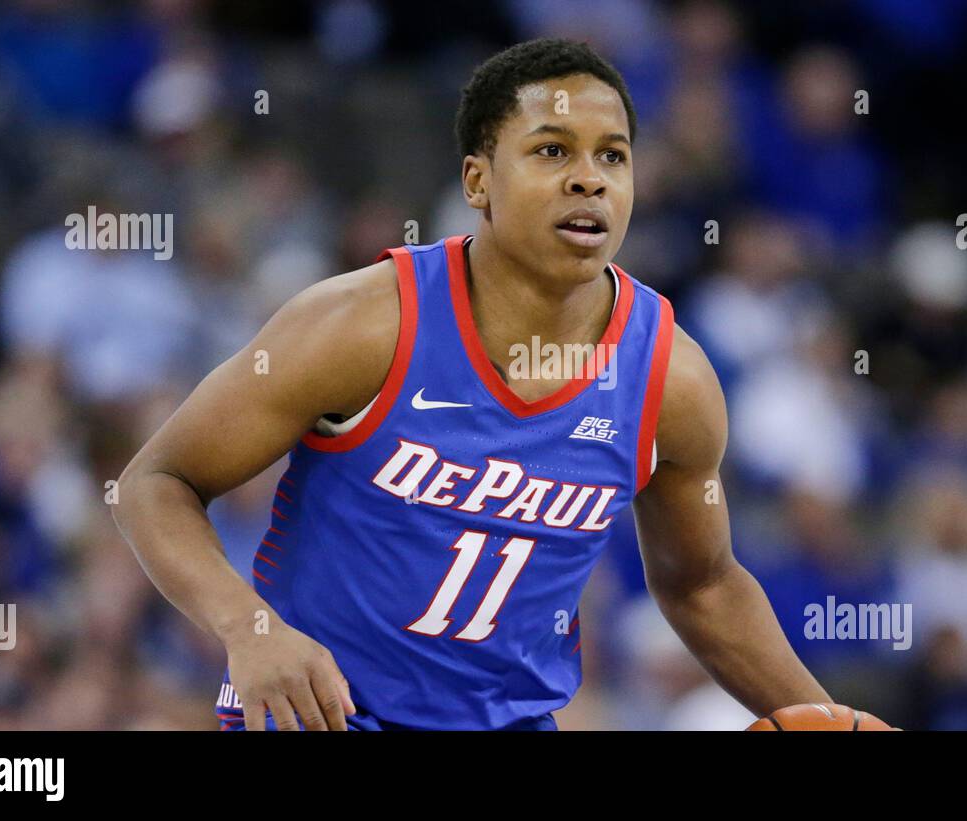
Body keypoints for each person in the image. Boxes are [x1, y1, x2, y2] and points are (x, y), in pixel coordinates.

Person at [113, 38, 830, 730]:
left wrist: (827, 719)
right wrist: (250, 627)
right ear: (477, 179)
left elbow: (702, 585)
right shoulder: (362, 324)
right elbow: (157, 482)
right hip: (323, 716)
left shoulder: (670, 378)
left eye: (613, 155)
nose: (590, 178)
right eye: (553, 150)